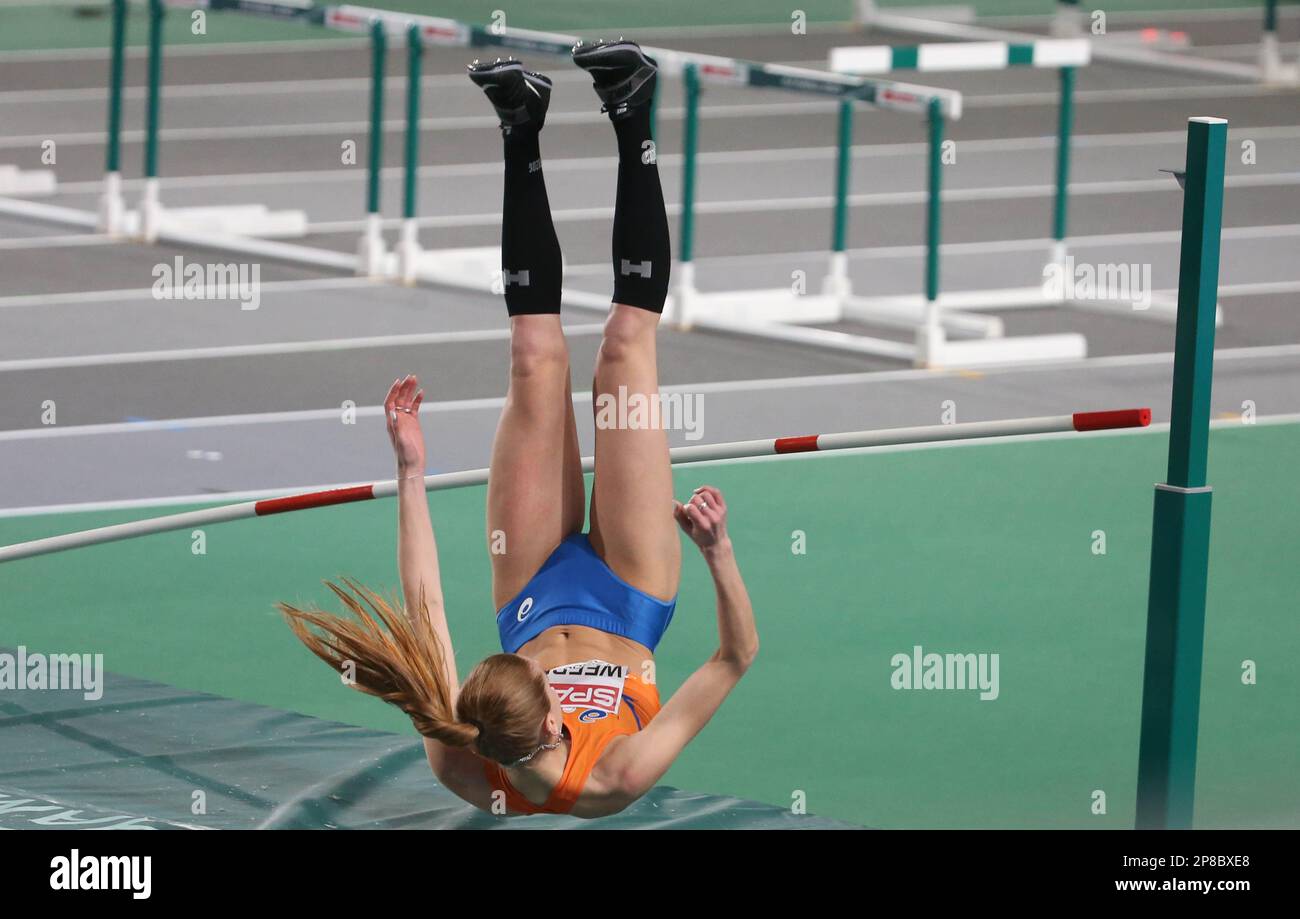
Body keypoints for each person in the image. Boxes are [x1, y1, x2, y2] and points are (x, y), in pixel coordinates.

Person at [279, 40, 758, 818]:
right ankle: (632, 108)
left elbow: (426, 604)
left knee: (534, 352)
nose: (550, 675)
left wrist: (410, 472)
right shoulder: (615, 774)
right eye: (541, 679)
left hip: (531, 589)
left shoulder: (460, 756)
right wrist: (718, 552)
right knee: (622, 346)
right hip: (631, 594)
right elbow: (737, 655)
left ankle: (521, 122)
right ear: (556, 718)